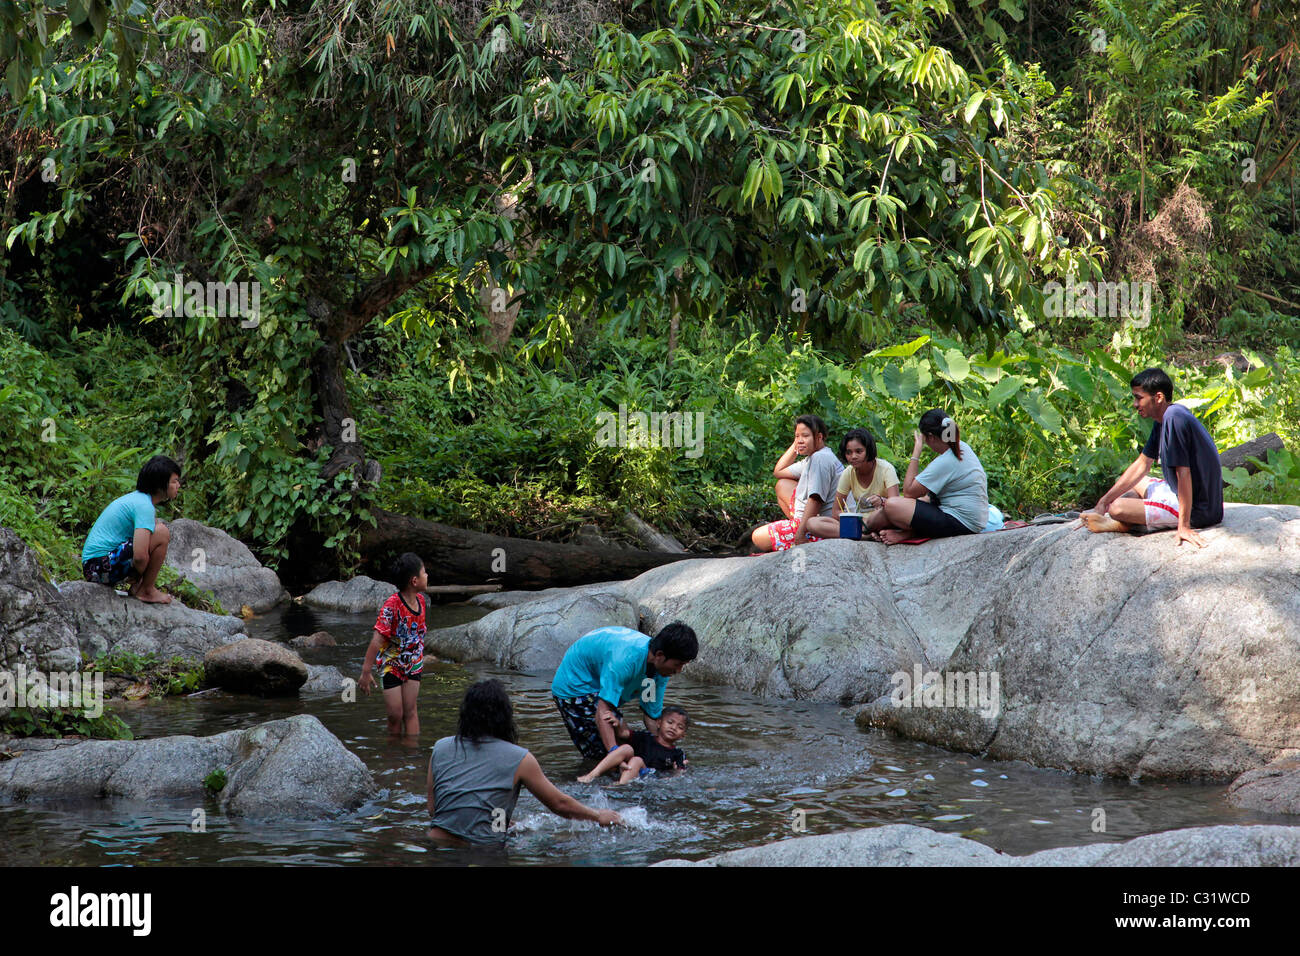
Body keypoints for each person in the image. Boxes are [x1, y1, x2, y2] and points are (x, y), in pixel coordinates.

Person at [427, 679, 622, 846]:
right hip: (481, 848)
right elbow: (559, 804)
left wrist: (499, 821)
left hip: (436, 841)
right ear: (504, 718)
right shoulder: (519, 757)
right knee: (562, 842)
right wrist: (598, 816)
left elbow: (435, 809)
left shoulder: (440, 747)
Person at [1083, 367, 1222, 547]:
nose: (1135, 404)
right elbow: (1142, 464)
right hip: (1178, 493)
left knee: (1117, 508)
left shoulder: (1174, 418)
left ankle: (1125, 523)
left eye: (1139, 398)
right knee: (1133, 483)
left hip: (1199, 510)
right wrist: (1103, 502)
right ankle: (1133, 516)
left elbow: (1184, 474)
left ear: (1158, 397)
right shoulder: (1163, 418)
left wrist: (1184, 526)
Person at [550, 622, 698, 761]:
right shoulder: (624, 661)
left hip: (600, 681)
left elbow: (651, 716)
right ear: (659, 655)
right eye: (678, 664)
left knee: (632, 749)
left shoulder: (659, 672)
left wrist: (665, 751)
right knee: (600, 753)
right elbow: (603, 713)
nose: (678, 671)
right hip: (575, 685)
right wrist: (615, 754)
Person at [866, 409, 988, 545]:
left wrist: (917, 450)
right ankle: (877, 530)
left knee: (892, 504)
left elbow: (908, 492)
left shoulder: (947, 460)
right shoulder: (962, 447)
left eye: (924, 438)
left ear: (930, 437)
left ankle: (907, 533)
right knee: (886, 512)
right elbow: (925, 497)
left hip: (961, 522)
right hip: (972, 520)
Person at [81, 455, 182, 604]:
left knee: (155, 530)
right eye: (174, 481)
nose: (178, 485)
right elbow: (140, 557)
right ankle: (146, 590)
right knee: (161, 533)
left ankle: (139, 588)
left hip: (94, 567)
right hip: (98, 567)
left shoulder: (139, 500)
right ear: (161, 484)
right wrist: (138, 574)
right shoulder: (143, 505)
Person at [752, 414, 844, 551]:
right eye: (797, 436)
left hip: (824, 525)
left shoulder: (820, 459)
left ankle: (801, 530)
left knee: (757, 537)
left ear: (819, 437)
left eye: (805, 436)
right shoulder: (813, 457)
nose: (800, 440)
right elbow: (779, 471)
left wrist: (801, 534)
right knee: (782, 485)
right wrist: (797, 446)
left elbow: (816, 499)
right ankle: (797, 525)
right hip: (814, 518)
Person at [359, 553, 428, 736]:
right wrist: (366, 672)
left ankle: (412, 755)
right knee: (395, 715)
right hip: (391, 663)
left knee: (411, 711)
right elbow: (377, 639)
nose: (427, 575)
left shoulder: (421, 601)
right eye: (424, 572)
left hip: (413, 662)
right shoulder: (392, 605)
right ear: (414, 580)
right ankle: (394, 759)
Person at [803, 428, 900, 539]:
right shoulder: (848, 472)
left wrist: (882, 501)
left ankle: (861, 533)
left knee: (880, 516)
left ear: (869, 451)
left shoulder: (886, 469)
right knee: (812, 523)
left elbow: (896, 506)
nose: (853, 456)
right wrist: (853, 518)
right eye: (849, 452)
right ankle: (864, 536)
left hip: (881, 522)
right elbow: (836, 511)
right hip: (859, 523)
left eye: (859, 451)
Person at [578, 705, 690, 785]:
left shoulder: (678, 753)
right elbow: (623, 734)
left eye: (680, 727)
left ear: (683, 735)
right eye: (670, 723)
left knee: (637, 760)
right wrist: (617, 723)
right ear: (659, 723)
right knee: (626, 748)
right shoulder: (645, 737)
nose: (673, 728)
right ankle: (593, 774)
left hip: (649, 778)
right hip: (629, 770)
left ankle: (621, 785)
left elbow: (680, 773)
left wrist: (674, 773)